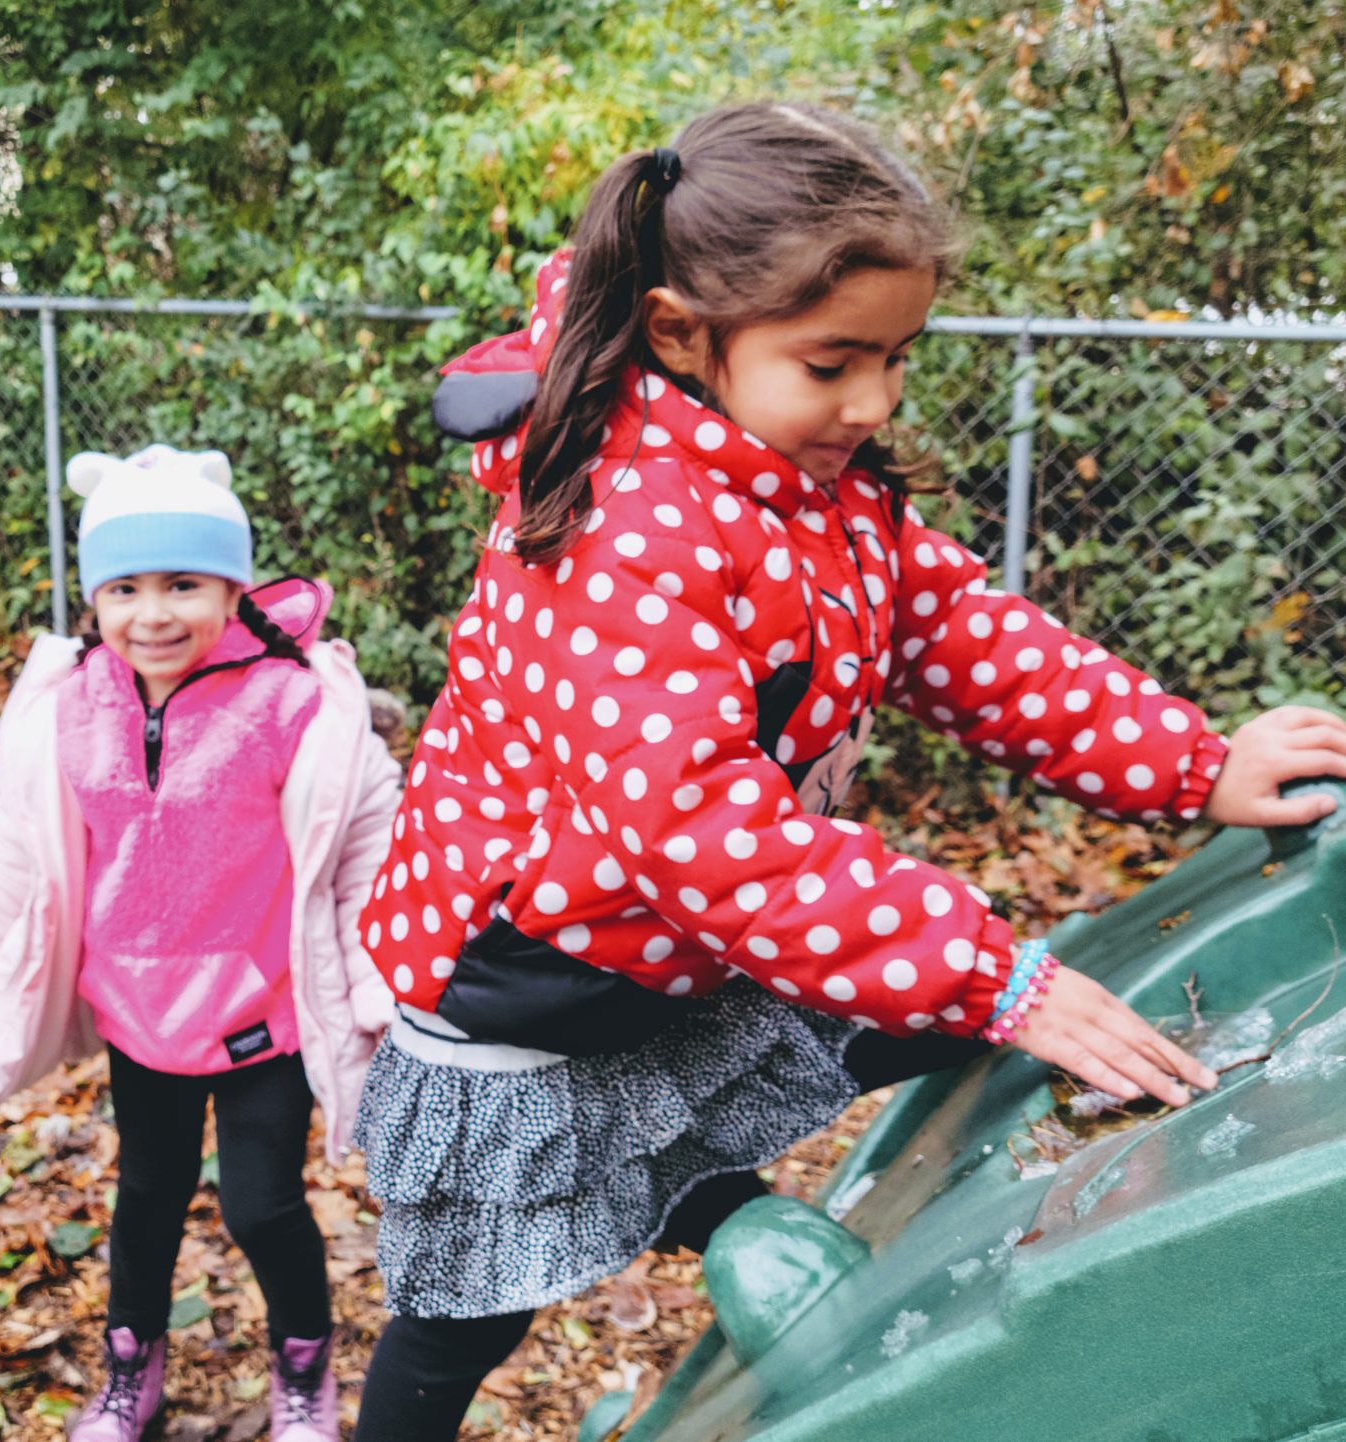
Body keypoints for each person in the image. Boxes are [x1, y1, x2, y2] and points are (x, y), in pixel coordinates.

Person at [347, 100, 1346, 1440]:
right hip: (536, 972)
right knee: (474, 1300)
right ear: (678, 334)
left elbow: (973, 642)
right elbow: (706, 834)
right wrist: (996, 974)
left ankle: (779, 1210)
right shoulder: (622, 535)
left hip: (682, 937)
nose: (874, 401)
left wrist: (1197, 763)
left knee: (958, 1021)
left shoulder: (810, 487)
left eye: (896, 358)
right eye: (834, 363)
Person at [0, 445, 400, 1442]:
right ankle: (129, 1374)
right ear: (94, 598)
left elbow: (369, 853)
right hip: (139, 1012)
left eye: (184, 584)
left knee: (261, 1206)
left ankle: (302, 1373)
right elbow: (13, 861)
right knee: (145, 1203)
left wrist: (382, 987)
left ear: (233, 587)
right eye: (124, 588)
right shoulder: (72, 709)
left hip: (259, 1014)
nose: (153, 613)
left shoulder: (295, 705)